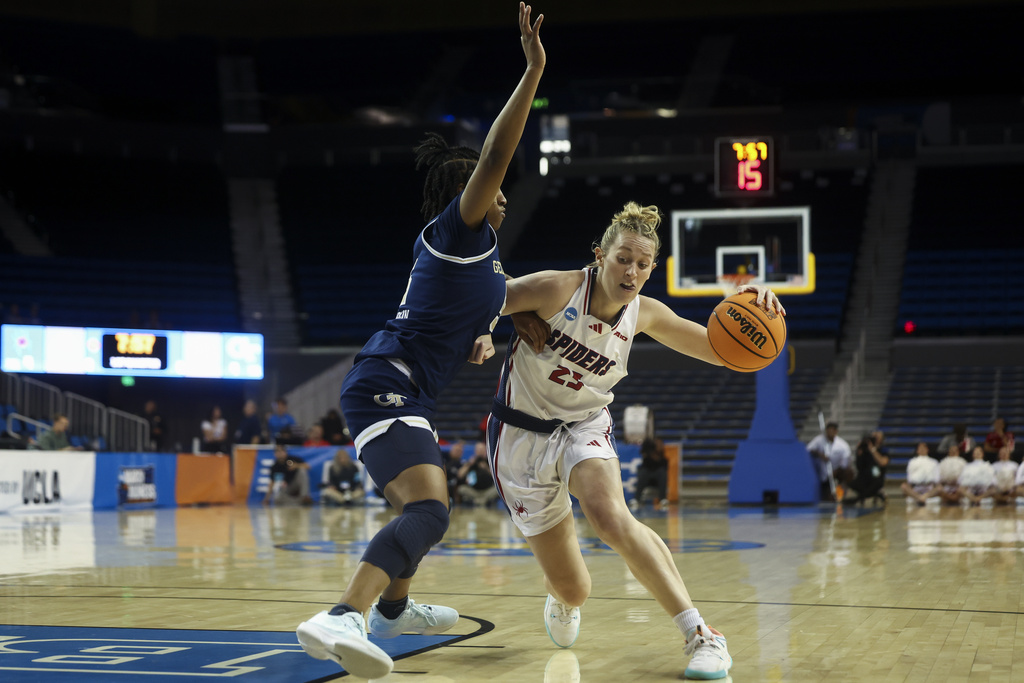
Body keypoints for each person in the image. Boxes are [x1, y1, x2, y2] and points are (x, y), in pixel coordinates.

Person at [295, 7, 549, 679]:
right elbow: (497, 154)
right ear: (468, 193)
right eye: (487, 190)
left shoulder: (486, 264)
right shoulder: (458, 230)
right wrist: (532, 72)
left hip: (399, 386)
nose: (499, 195)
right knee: (433, 508)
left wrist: (486, 338)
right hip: (388, 381)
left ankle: (393, 609)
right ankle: (346, 613)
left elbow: (481, 311)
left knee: (421, 507)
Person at [491, 200, 784, 680]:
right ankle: (562, 596)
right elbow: (476, 296)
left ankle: (701, 636)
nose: (631, 271)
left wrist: (763, 311)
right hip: (519, 433)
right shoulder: (555, 288)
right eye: (623, 258)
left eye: (643, 264)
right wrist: (507, 318)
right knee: (574, 589)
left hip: (583, 424)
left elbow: (722, 350)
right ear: (599, 256)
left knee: (610, 517)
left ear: (652, 270)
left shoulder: (643, 314)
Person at [806, 422, 853, 502]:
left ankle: (841, 494)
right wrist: (819, 454)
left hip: (837, 473)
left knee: (848, 473)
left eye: (832, 430)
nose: (830, 432)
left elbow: (845, 463)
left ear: (836, 431)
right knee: (826, 498)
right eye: (828, 430)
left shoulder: (842, 445)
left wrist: (836, 471)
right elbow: (808, 449)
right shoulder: (819, 440)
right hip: (823, 474)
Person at [849, 430, 889, 505]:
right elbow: (859, 466)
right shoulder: (864, 449)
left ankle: (875, 495)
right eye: (874, 437)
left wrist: (872, 450)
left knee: (874, 485)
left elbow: (883, 462)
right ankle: (862, 497)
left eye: (878, 437)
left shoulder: (883, 449)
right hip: (864, 477)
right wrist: (859, 453)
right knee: (853, 483)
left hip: (876, 477)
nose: (875, 438)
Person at [457, 442, 499, 507]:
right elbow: (460, 475)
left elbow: (496, 477)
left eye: (482, 450)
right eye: (478, 450)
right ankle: (481, 500)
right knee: (461, 488)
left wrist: (486, 468)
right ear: (475, 451)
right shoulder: (471, 462)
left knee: (497, 489)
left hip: (487, 491)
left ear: (485, 451)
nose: (480, 452)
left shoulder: (490, 461)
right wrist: (469, 464)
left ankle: (480, 500)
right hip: (473, 491)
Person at [633, 437, 669, 508]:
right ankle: (636, 499)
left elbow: (661, 464)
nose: (658, 445)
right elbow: (644, 457)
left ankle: (663, 499)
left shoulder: (664, 459)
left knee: (662, 473)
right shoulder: (647, 454)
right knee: (643, 473)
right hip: (647, 479)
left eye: (660, 444)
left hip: (657, 481)